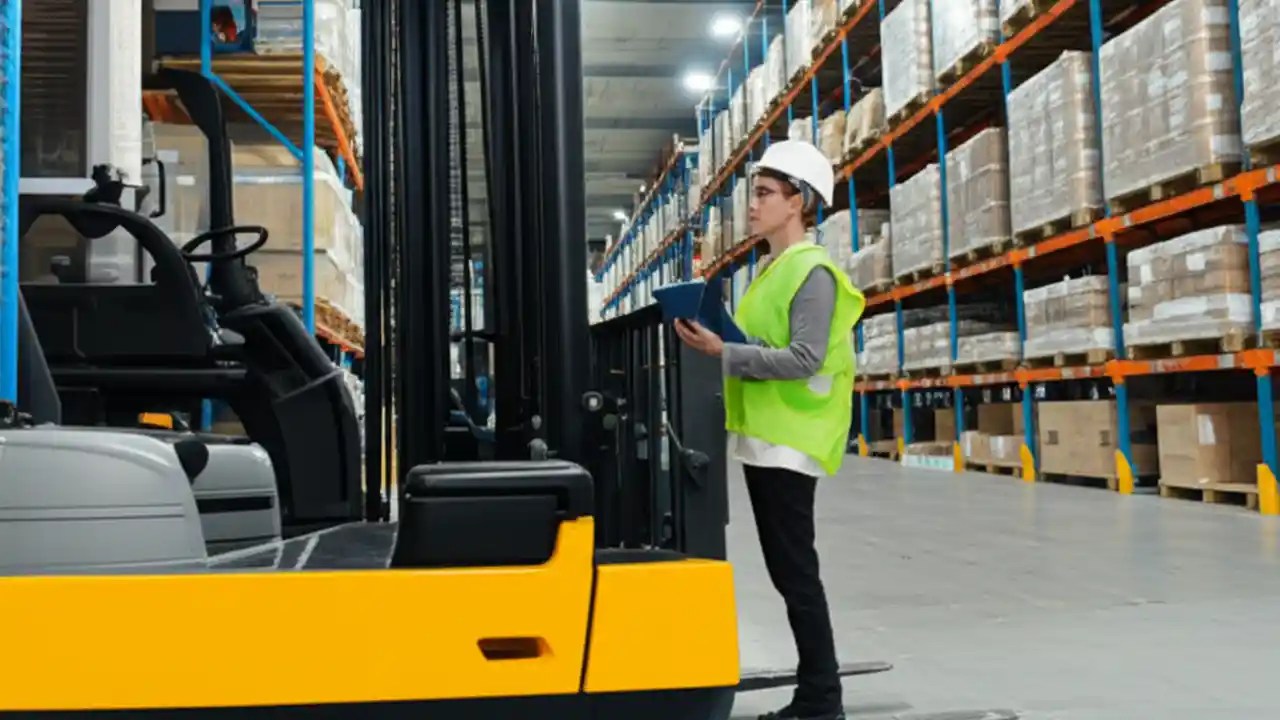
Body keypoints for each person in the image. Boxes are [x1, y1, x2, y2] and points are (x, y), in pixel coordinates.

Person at [674, 139, 865, 720]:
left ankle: (821, 699)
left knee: (796, 572)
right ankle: (818, 693)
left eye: (763, 194)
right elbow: (761, 344)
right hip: (767, 436)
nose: (752, 206)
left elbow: (804, 357)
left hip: (792, 438)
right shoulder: (771, 269)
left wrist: (724, 351)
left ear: (799, 202)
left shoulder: (813, 273)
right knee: (789, 571)